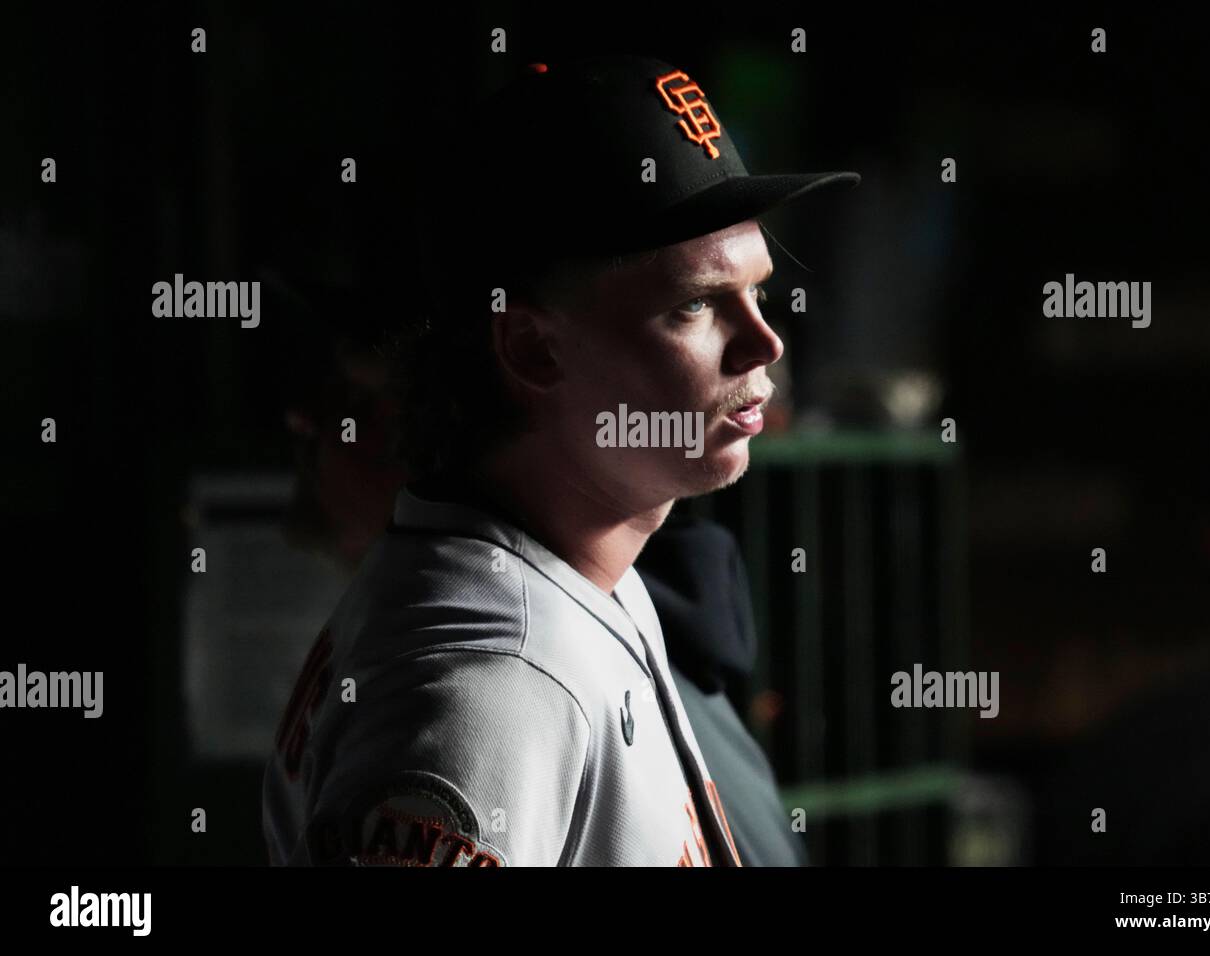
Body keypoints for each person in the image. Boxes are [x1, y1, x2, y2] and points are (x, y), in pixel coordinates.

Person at [263, 53, 857, 866]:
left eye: (758, 293)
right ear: (533, 348)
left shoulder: (579, 573)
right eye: (694, 303)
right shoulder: (491, 684)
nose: (764, 342)